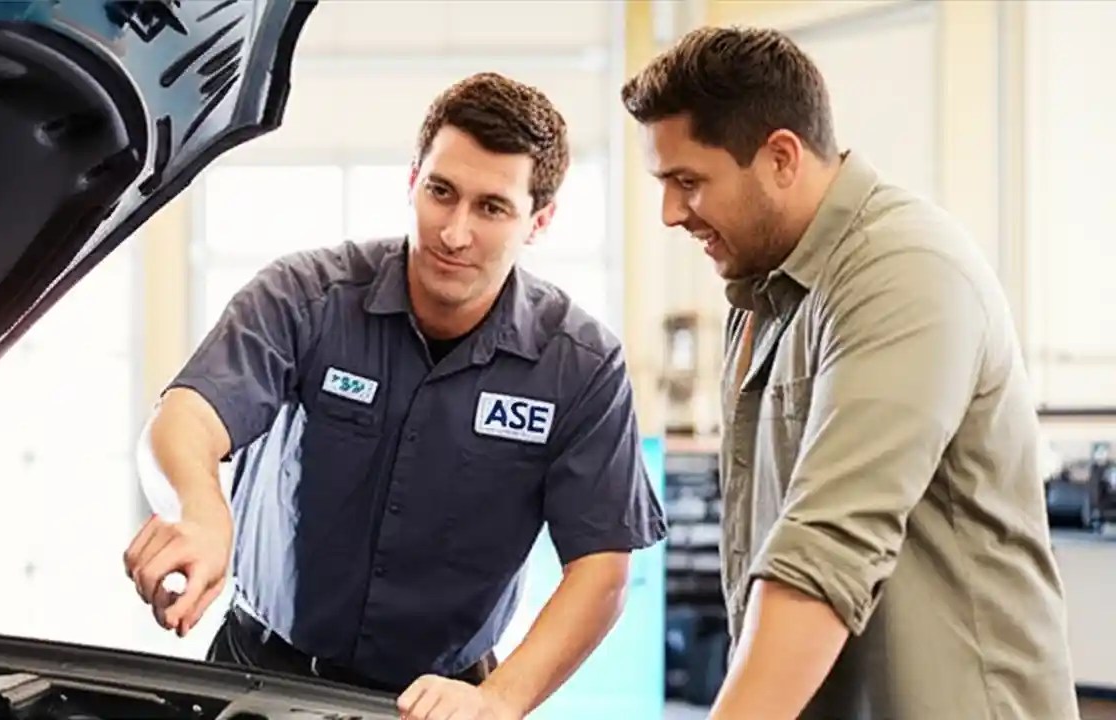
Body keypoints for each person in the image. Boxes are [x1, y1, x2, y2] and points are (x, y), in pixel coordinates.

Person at [122, 71, 666, 720]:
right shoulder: (304, 297)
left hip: (438, 703)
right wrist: (202, 509)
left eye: (492, 207)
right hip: (258, 674)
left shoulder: (580, 365)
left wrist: (498, 701)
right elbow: (187, 413)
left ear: (539, 221)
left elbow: (600, 569)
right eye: (441, 192)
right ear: (412, 181)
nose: (455, 232)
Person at [621, 26, 1078, 720]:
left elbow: (823, 548)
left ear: (780, 157)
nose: (670, 213)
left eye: (689, 182)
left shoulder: (906, 273)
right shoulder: (763, 295)